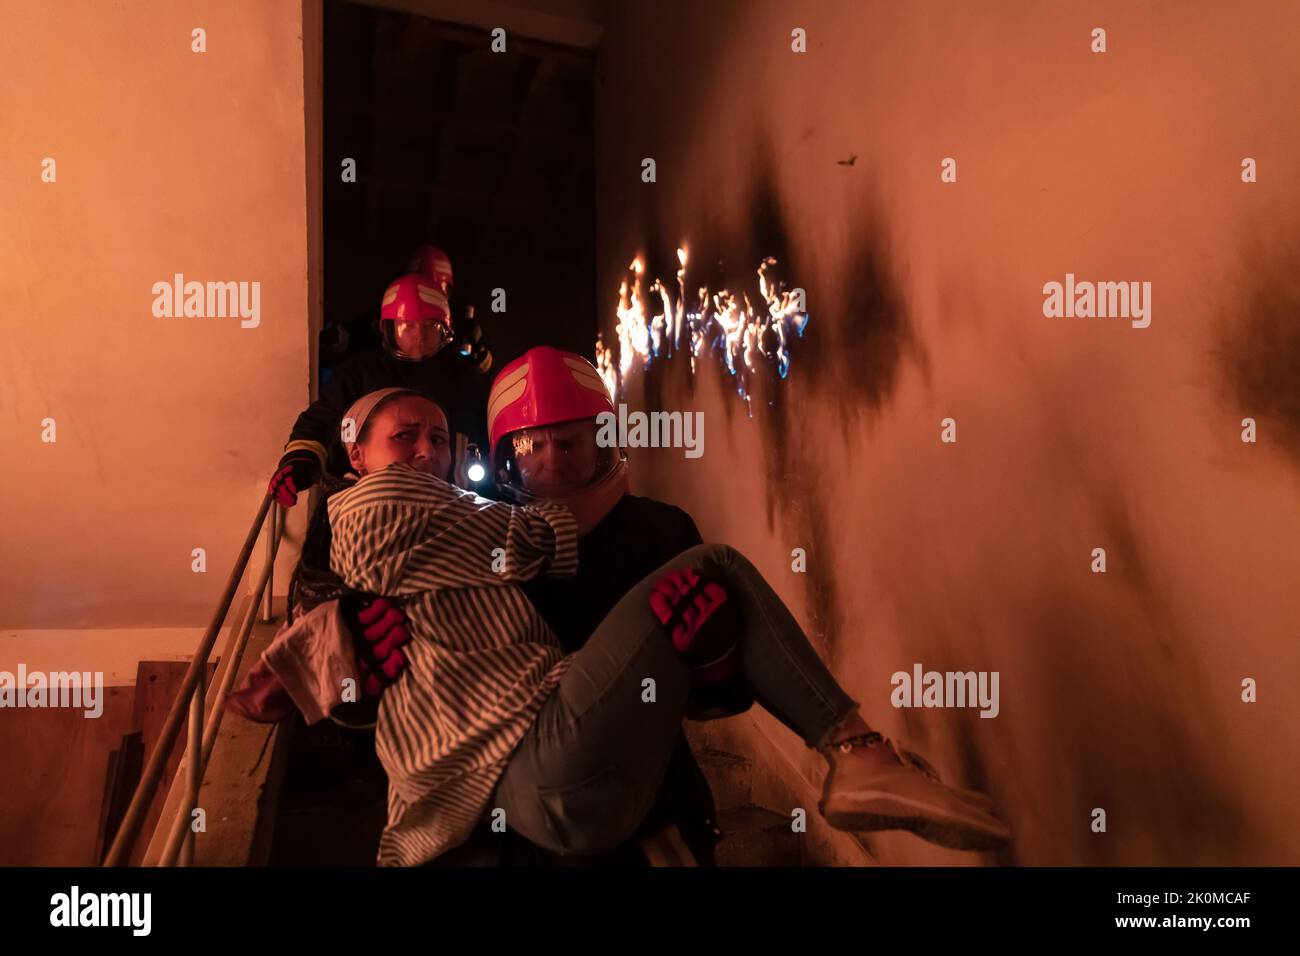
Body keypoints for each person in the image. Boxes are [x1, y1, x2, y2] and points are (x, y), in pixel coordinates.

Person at [326, 387, 1013, 865]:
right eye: (536, 444)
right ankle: (859, 751)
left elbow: (728, 690)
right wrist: (353, 659)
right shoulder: (476, 533)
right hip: (512, 813)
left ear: (603, 443)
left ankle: (860, 756)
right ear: (509, 455)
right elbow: (398, 686)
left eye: (573, 441)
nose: (556, 459)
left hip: (641, 799)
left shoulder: (656, 528)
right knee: (721, 565)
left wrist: (712, 667)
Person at [268, 262, 492, 512]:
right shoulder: (359, 373)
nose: (419, 335)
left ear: (445, 331)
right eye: (409, 325)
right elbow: (324, 418)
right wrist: (302, 458)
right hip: (364, 504)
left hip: (448, 505)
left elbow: (484, 434)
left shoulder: (462, 380)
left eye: (430, 325)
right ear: (388, 329)